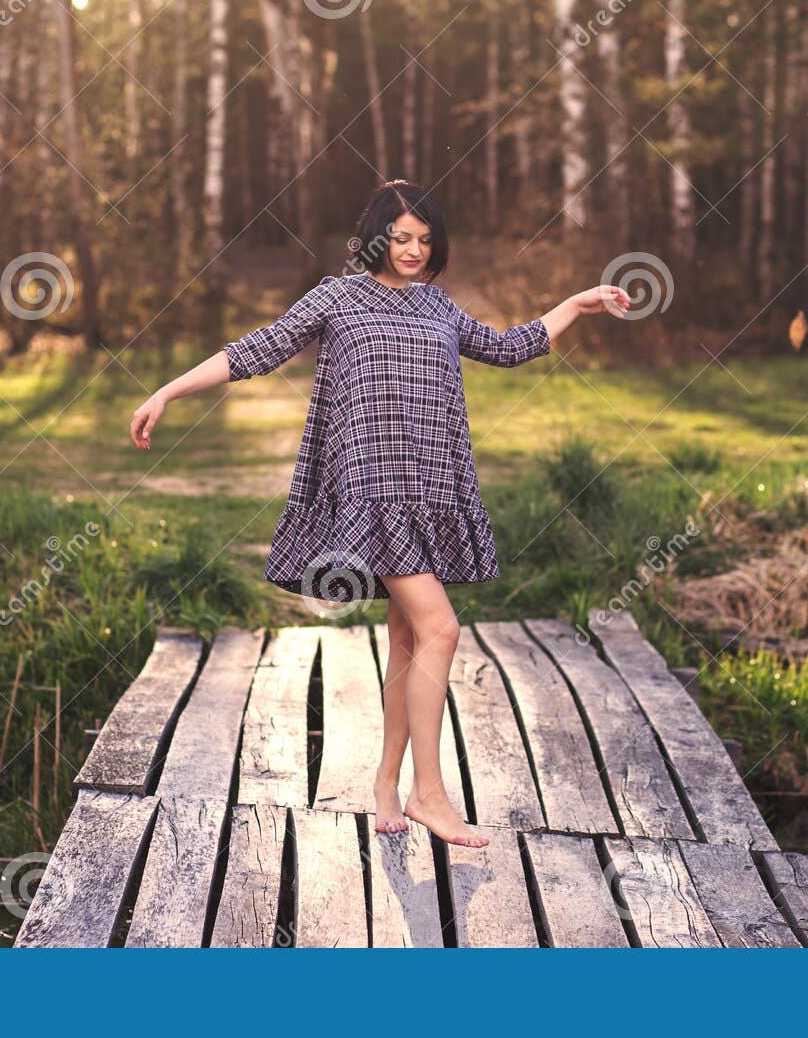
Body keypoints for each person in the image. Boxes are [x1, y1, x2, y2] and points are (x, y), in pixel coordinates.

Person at [130, 179, 631, 848]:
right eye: (401, 237)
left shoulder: (438, 307)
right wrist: (166, 390)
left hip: (431, 492)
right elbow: (256, 349)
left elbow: (510, 346)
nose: (414, 250)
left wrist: (578, 303)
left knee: (407, 641)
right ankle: (430, 793)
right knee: (441, 629)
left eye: (424, 239)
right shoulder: (338, 297)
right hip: (370, 496)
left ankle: (387, 785)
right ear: (376, 236)